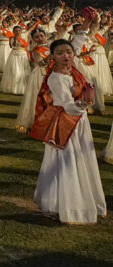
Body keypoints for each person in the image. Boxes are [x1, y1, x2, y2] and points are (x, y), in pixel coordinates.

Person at [30, 39, 106, 225]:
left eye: (69, 52)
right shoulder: (56, 78)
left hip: (79, 121)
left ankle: (80, 200)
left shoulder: (73, 71)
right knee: (66, 162)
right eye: (60, 53)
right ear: (53, 57)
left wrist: (86, 28)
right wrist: (85, 102)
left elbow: (79, 42)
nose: (66, 56)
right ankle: (61, 205)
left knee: (80, 159)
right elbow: (68, 106)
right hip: (64, 123)